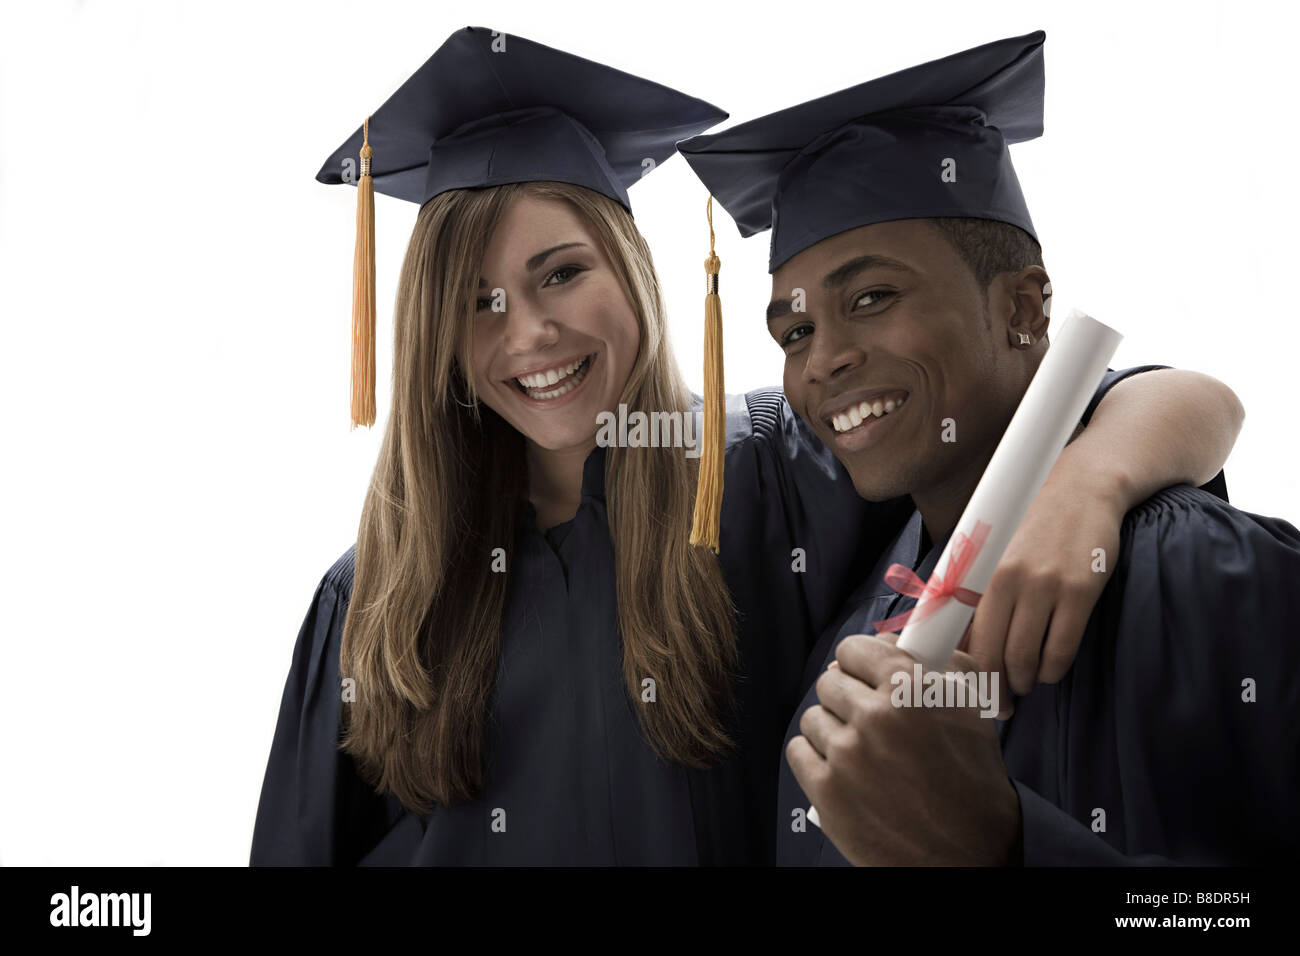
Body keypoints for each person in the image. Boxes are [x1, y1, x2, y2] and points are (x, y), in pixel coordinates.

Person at [251, 27, 1244, 866]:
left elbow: (1070, 413)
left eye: (561, 273)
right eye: (476, 302)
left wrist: (1094, 476)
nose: (527, 333)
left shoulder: (773, 473)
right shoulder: (375, 595)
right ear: (427, 331)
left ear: (634, 268)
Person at [680, 29, 1294, 866]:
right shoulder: (851, 632)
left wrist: (999, 845)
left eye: (872, 296)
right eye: (793, 332)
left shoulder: (1192, 569)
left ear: (1026, 309)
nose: (822, 360)